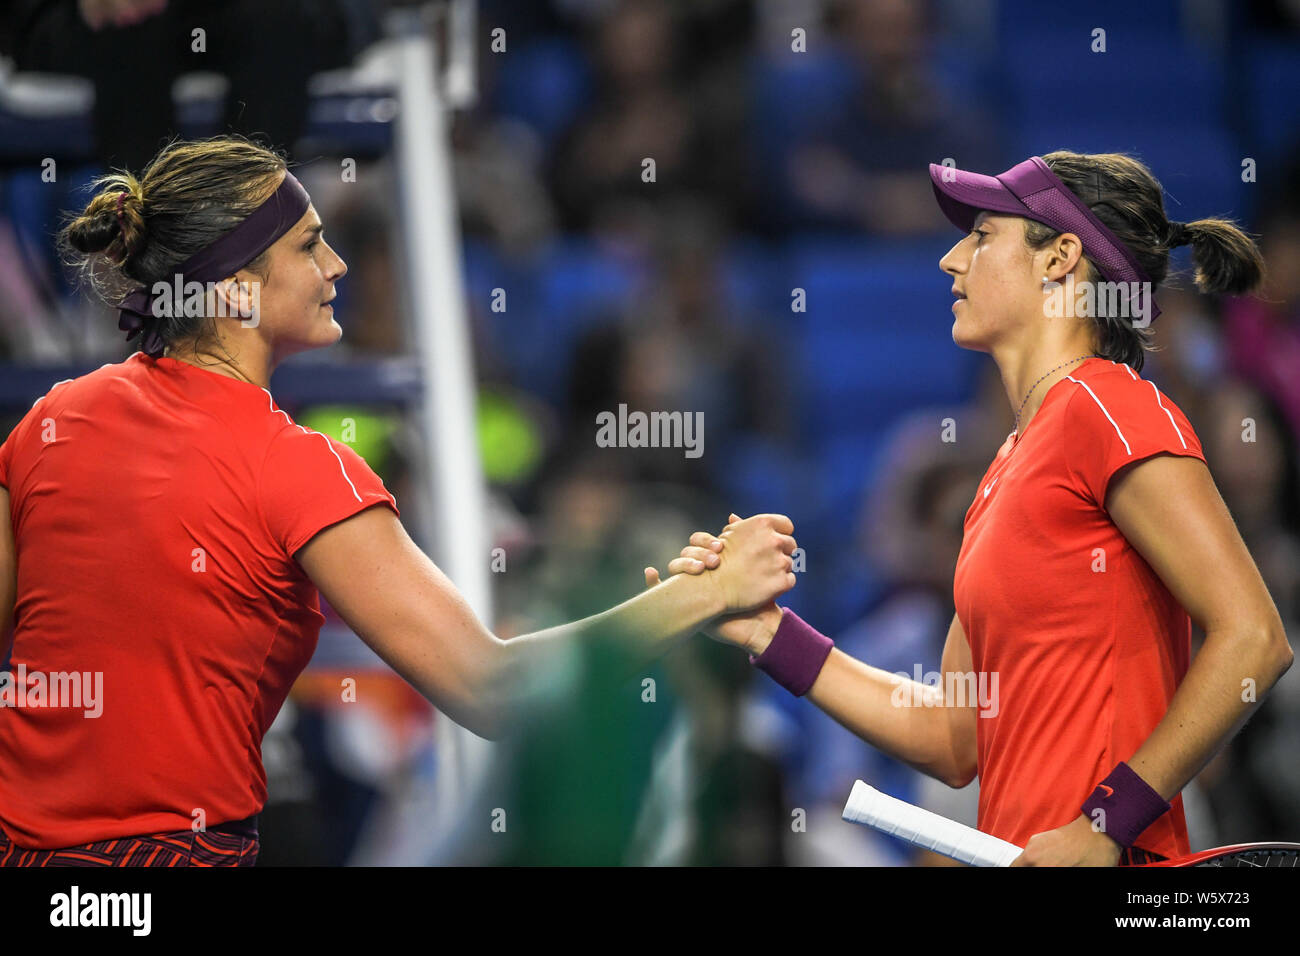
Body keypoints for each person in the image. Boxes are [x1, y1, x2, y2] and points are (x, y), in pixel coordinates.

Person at [0, 134, 799, 866]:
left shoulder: (51, 421)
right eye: (311, 246)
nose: (338, 266)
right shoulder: (299, 469)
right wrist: (711, 593)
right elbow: (494, 689)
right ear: (239, 289)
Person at [650, 151, 1295, 866]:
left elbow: (1254, 638)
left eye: (983, 235)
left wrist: (1108, 821)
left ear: (1061, 259)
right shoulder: (1007, 466)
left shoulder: (1107, 405)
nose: (951, 261)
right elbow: (955, 738)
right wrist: (768, 633)